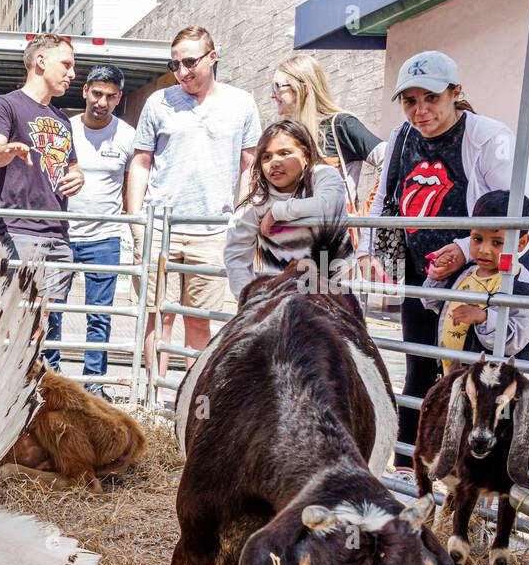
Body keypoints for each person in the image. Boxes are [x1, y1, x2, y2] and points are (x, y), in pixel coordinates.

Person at [358, 50, 529, 469]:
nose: (420, 110)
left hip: (483, 278)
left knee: (484, 378)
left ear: (456, 93)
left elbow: (514, 213)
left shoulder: (490, 139)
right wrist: (368, 251)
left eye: (431, 98)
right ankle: (410, 466)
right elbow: (386, 198)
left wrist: (463, 248)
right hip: (425, 280)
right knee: (420, 367)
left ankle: (491, 476)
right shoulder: (403, 137)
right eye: (409, 100)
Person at [126, 26, 261, 376]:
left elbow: (250, 164)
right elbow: (141, 162)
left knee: (200, 320)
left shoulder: (241, 103)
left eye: (189, 61)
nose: (182, 71)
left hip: (213, 229)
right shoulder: (159, 102)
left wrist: (243, 214)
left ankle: (192, 402)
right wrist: (136, 219)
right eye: (175, 65)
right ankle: (154, 396)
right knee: (159, 314)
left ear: (212, 57)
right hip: (160, 225)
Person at [0, 33, 84, 369]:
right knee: (13, 317)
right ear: (41, 61)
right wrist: (9, 150)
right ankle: (2, 388)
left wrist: (78, 176)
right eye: (66, 64)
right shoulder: (6, 104)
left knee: (41, 320)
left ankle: (25, 385)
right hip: (17, 227)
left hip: (56, 229)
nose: (72, 73)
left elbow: (72, 166)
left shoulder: (62, 118)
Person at [67, 65, 135, 395]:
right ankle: (51, 378)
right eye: (96, 93)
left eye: (110, 96)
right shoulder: (65, 129)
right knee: (52, 311)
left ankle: (93, 384)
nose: (102, 102)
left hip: (104, 238)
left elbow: (136, 181)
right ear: (84, 91)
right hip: (62, 234)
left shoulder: (127, 136)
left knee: (99, 316)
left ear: (119, 98)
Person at [223, 120, 348, 300]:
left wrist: (277, 212)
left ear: (305, 155)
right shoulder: (257, 202)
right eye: (266, 157)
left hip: (334, 297)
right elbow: (236, 254)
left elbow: (328, 205)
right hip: (282, 301)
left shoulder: (323, 176)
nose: (274, 162)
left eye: (284, 153)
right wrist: (247, 299)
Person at [423, 191, 529, 369]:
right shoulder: (466, 272)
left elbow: (516, 340)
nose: (484, 250)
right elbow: (432, 303)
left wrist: (484, 318)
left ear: (521, 243)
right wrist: (437, 277)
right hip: (451, 373)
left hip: (489, 387)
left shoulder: (521, 284)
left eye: (497, 242)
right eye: (477, 239)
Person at [271, 54, 384, 199]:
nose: (272, 96)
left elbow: (389, 158)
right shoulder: (286, 134)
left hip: (335, 220)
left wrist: (371, 212)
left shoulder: (340, 125)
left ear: (302, 88)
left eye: (276, 87)